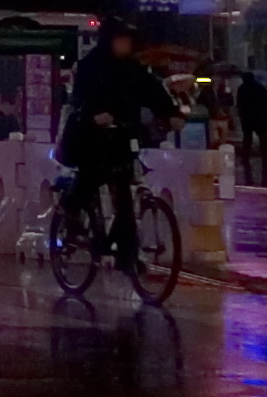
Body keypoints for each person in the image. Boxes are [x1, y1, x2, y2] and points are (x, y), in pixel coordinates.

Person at [59, 19, 178, 272]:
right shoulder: (90, 66)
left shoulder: (134, 69)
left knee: (124, 198)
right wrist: (93, 116)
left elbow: (153, 91)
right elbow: (80, 98)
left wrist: (172, 112)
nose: (125, 45)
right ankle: (71, 220)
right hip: (90, 139)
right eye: (120, 39)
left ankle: (127, 254)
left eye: (128, 40)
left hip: (123, 138)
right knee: (89, 180)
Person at [235, 70, 267, 173]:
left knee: (247, 139)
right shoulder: (260, 87)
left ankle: (246, 157)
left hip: (247, 118)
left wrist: (241, 115)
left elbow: (240, 104)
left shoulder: (242, 88)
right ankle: (265, 158)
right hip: (260, 118)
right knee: (263, 140)